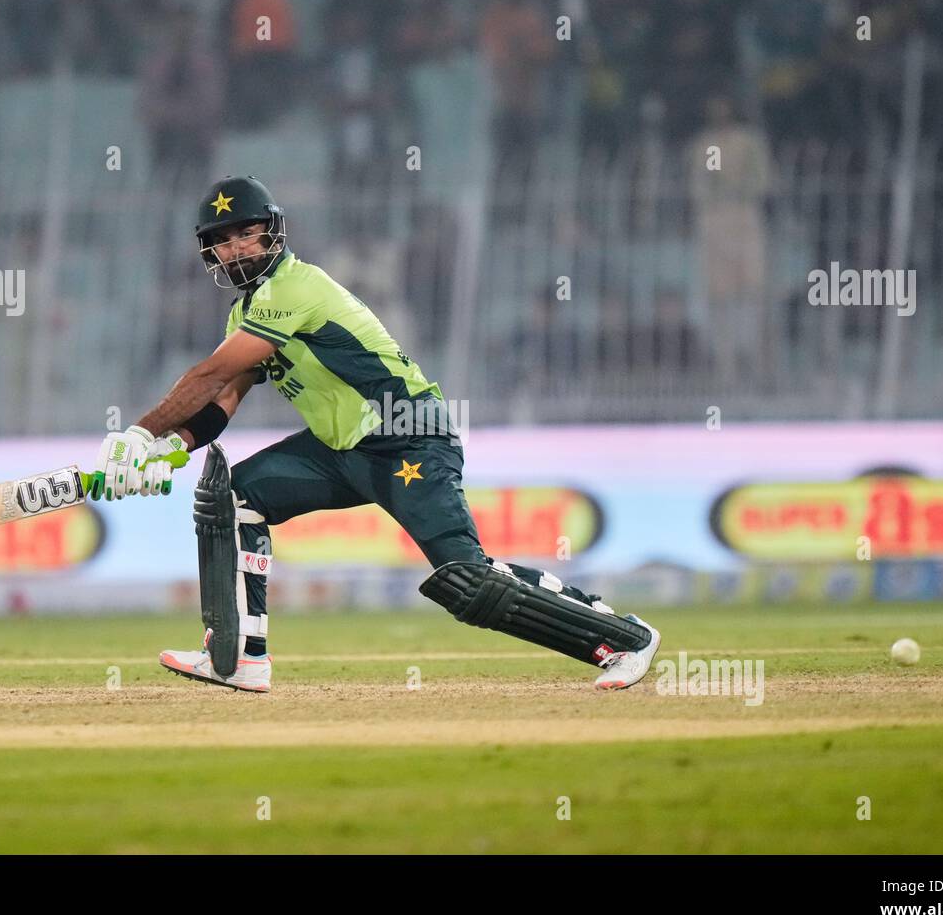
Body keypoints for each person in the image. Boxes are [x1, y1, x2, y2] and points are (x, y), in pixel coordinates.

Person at [89, 175, 661, 693]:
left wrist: (138, 434)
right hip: (340, 450)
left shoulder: (295, 288)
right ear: (208, 250)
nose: (237, 248)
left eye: (248, 234)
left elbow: (209, 375)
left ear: (273, 235)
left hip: (408, 435)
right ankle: (238, 658)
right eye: (224, 239)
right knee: (235, 498)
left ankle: (623, 636)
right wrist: (169, 449)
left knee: (466, 581)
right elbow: (222, 402)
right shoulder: (245, 317)